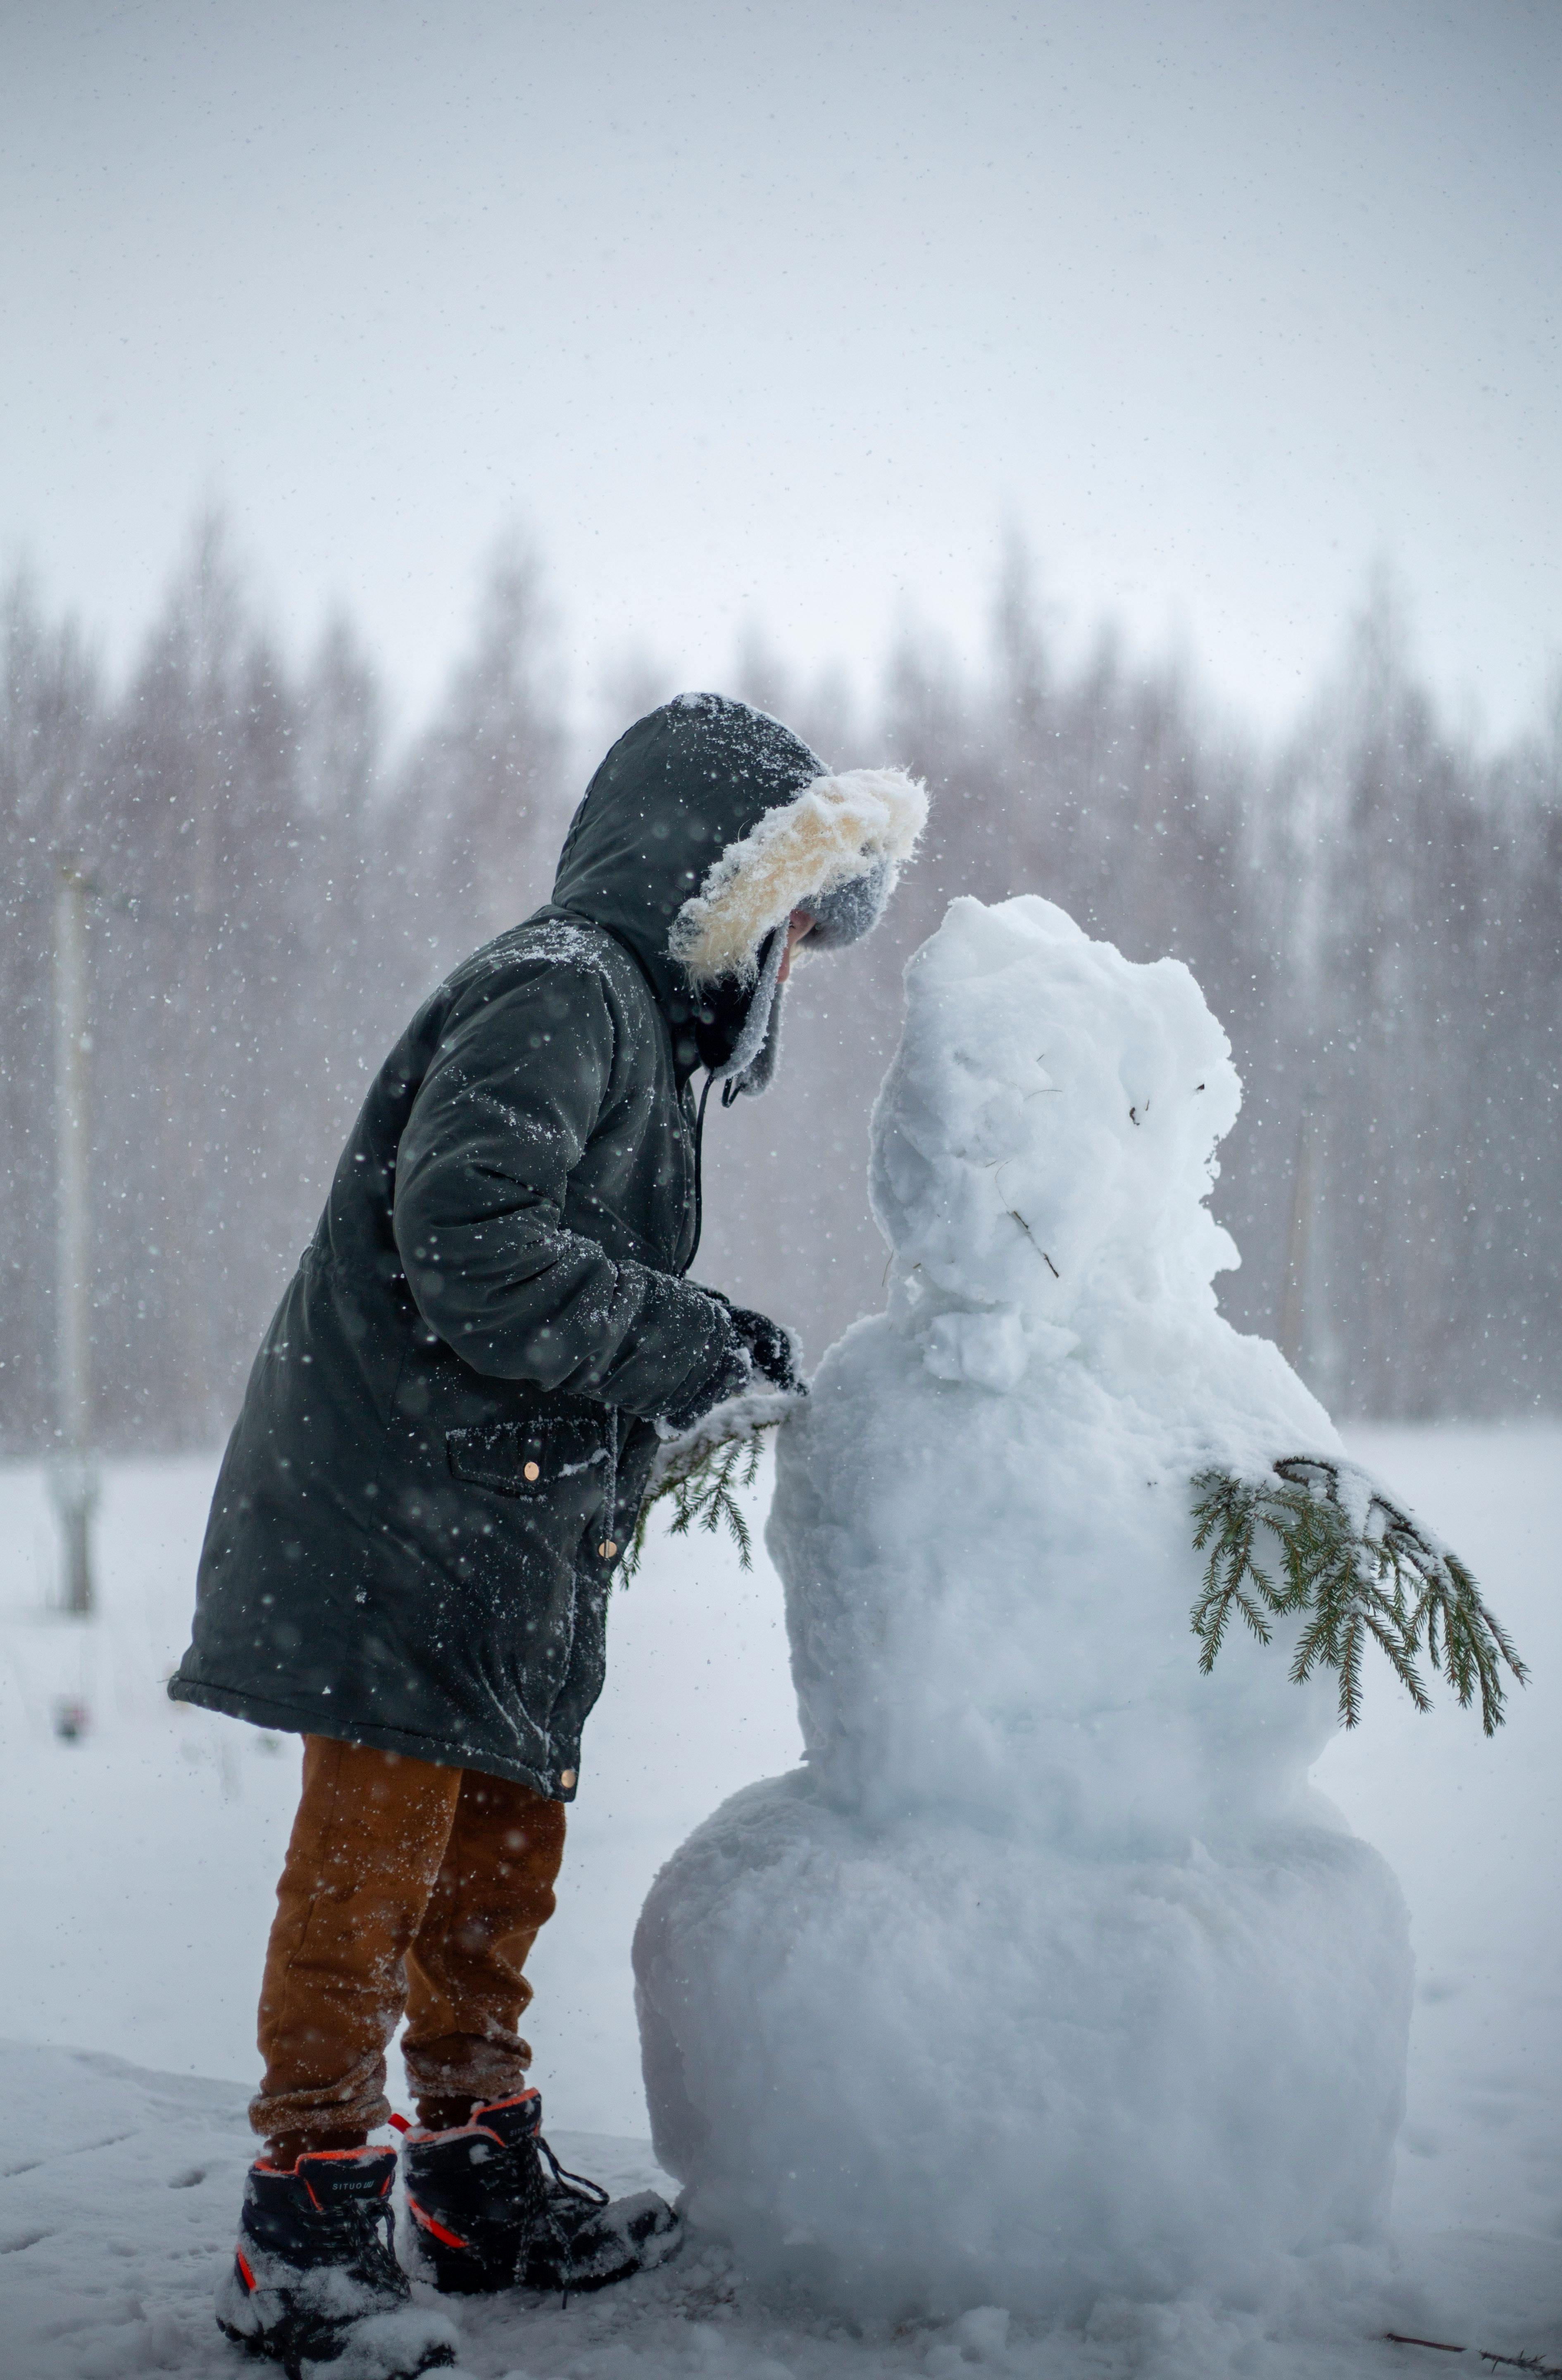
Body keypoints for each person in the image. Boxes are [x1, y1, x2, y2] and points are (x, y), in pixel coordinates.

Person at [168, 692, 928, 2375]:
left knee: (498, 1859)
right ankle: (298, 2238)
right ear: (718, 890)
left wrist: (682, 1361)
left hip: (498, 1532)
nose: (792, 962)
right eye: (789, 921)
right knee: (370, 1873)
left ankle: (472, 2182)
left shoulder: (641, 1042)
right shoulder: (561, 990)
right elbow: (474, 1243)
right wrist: (689, 1342)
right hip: (394, 1522)